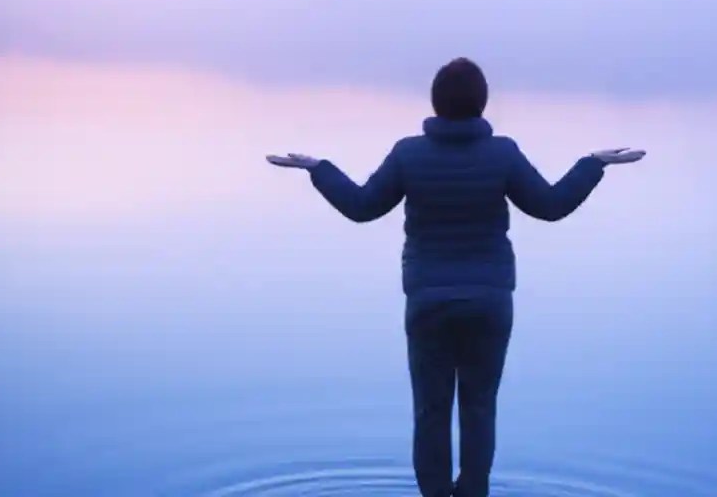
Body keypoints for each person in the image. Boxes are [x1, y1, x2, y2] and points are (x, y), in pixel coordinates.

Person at [266, 57, 644, 497]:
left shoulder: (409, 153)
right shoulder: (502, 152)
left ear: (435, 102)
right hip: (490, 302)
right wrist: (592, 164)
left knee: (431, 411)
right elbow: (550, 206)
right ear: (483, 103)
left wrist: (319, 168)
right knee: (480, 408)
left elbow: (361, 207)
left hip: (428, 303)